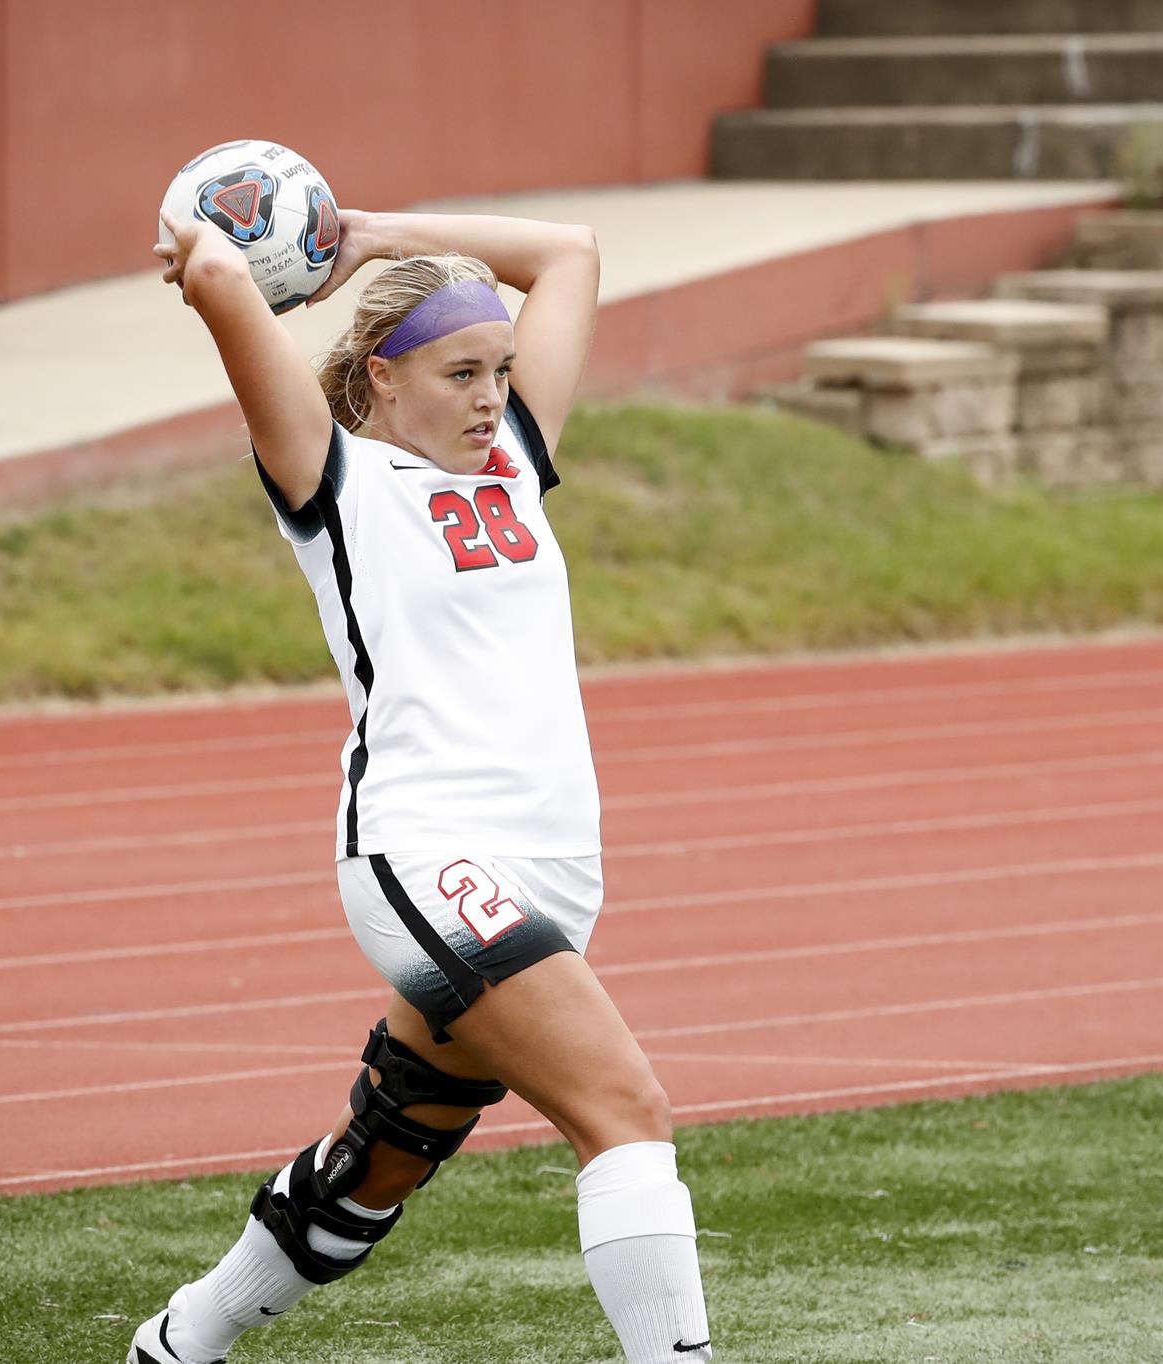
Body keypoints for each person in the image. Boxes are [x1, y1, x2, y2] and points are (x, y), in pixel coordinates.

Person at [135, 199, 715, 1364]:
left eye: (502, 367)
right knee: (626, 1110)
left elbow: (567, 252)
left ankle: (180, 1339)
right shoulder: (334, 484)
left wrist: (365, 234)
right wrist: (210, 250)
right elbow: (220, 287)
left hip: (549, 871)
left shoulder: (511, 466)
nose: (493, 394)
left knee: (386, 1151)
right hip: (428, 853)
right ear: (382, 381)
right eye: (460, 371)